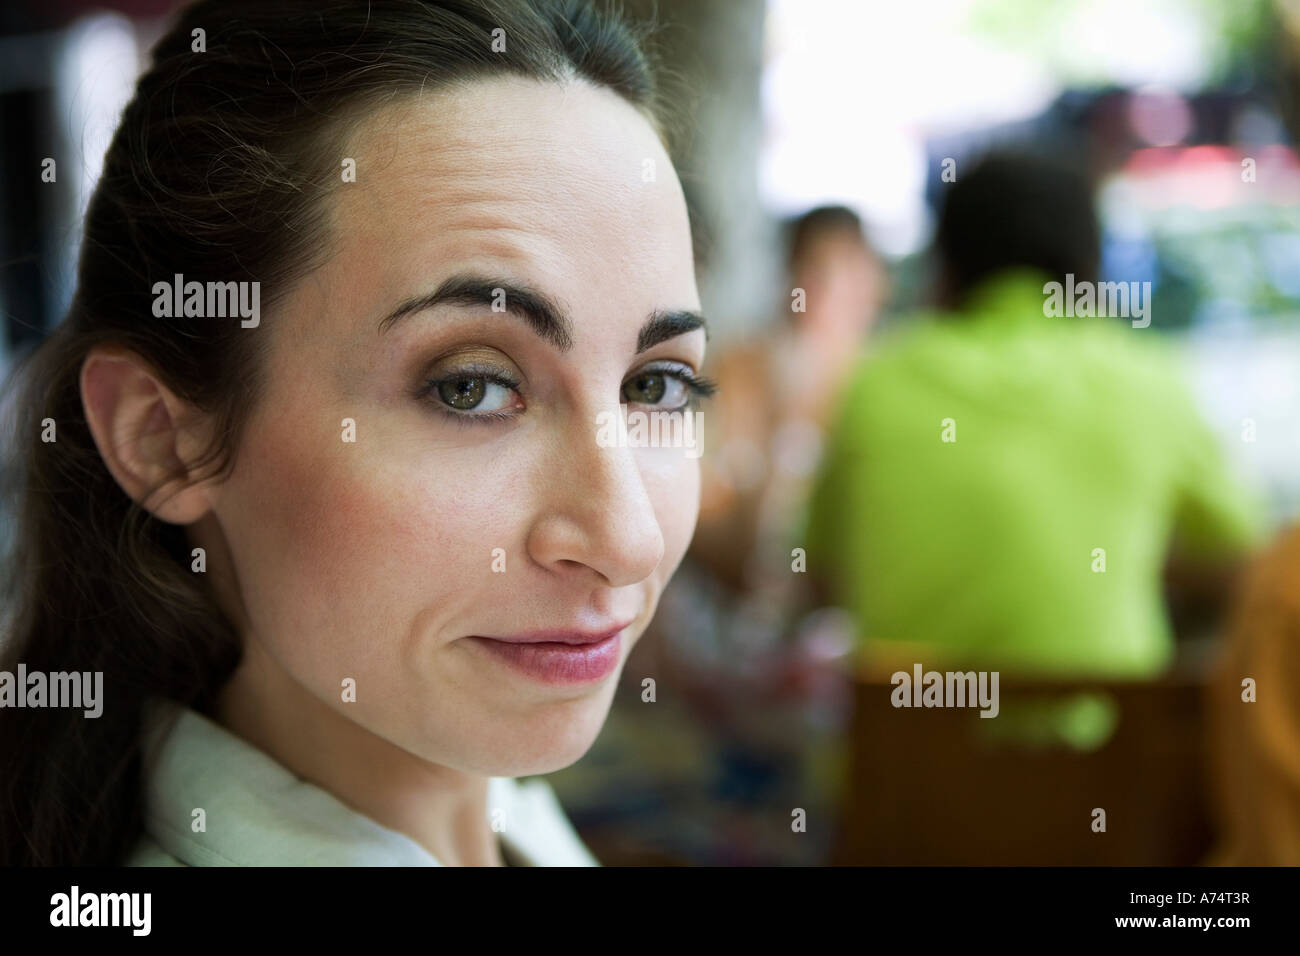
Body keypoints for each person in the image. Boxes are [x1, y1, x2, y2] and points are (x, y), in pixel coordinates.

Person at [0, 0, 710, 866]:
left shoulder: (505, 825)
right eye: (472, 388)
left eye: (655, 385)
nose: (629, 540)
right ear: (161, 436)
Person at [803, 151, 1262, 682]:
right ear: (1091, 270)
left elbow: (821, 574)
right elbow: (1244, 561)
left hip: (909, 757)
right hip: (1106, 755)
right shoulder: (1149, 381)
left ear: (946, 270)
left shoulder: (877, 385)